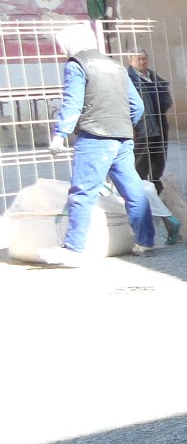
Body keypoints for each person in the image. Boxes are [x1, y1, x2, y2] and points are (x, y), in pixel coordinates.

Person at [37, 27, 157, 267]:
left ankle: (74, 249)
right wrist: (123, 126)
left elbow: (73, 102)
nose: (62, 51)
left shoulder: (77, 65)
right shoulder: (117, 67)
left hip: (94, 137)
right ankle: (146, 241)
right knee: (133, 189)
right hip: (122, 137)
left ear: (71, 44)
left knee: (82, 193)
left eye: (62, 46)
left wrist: (60, 134)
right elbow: (138, 107)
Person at [126, 50, 173, 188]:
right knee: (141, 165)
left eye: (144, 59)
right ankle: (142, 195)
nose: (142, 62)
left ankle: (157, 196)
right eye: (138, 59)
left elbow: (166, 98)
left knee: (158, 164)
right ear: (130, 61)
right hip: (141, 128)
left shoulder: (154, 77)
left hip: (159, 126)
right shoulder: (128, 79)